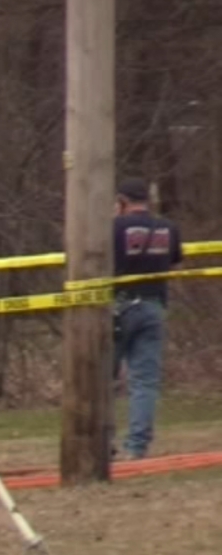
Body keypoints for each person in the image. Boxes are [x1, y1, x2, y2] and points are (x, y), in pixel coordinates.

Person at [112, 178, 182, 460]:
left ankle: (102, 444)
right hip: (153, 305)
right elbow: (175, 260)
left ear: (122, 201)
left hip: (118, 306)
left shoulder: (114, 226)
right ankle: (137, 447)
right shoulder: (168, 227)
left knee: (104, 378)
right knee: (145, 381)